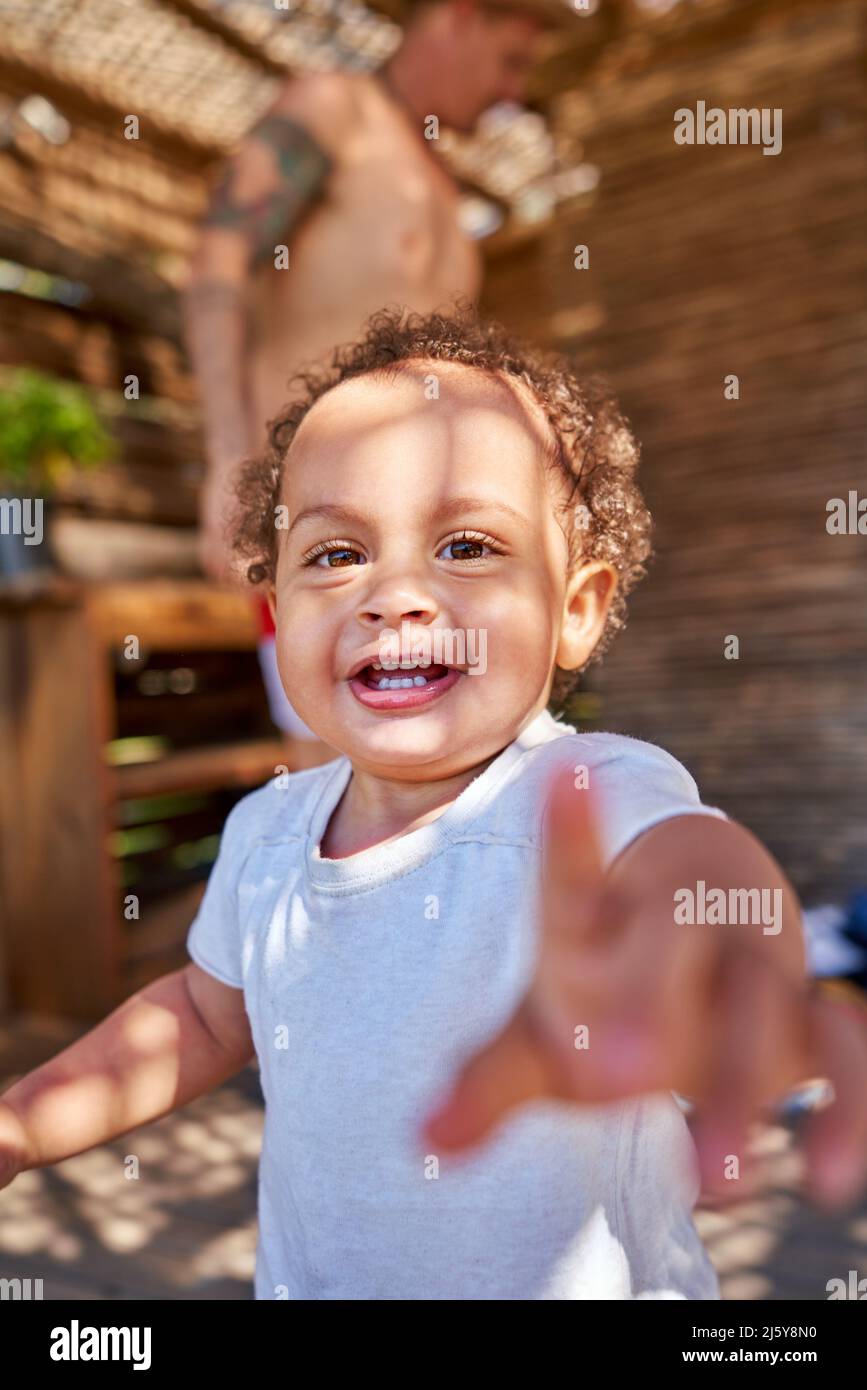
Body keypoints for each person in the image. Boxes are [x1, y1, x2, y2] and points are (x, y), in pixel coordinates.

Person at [3, 304, 867, 1300]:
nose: (396, 594)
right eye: (336, 555)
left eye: (465, 545)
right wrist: (25, 1121)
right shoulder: (268, 833)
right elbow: (201, 1019)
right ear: (279, 614)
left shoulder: (585, 796)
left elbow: (688, 870)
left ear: (575, 609)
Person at [181, 0, 568, 765]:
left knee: (448, 767)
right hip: (316, 529)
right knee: (331, 767)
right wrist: (228, 459)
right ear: (457, 17)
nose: (512, 95)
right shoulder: (332, 108)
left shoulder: (451, 196)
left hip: (424, 541)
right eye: (511, 62)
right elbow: (213, 268)